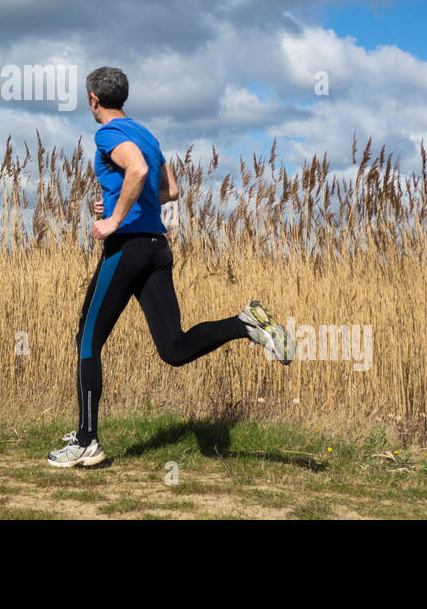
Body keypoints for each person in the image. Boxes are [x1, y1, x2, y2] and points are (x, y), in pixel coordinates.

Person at [46, 66, 293, 468]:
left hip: (125, 249)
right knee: (174, 348)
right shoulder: (147, 134)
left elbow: (138, 171)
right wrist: (113, 204)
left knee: (87, 340)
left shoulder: (107, 134)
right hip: (156, 247)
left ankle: (87, 441)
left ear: (93, 98)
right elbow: (171, 191)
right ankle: (244, 323)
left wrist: (111, 221)